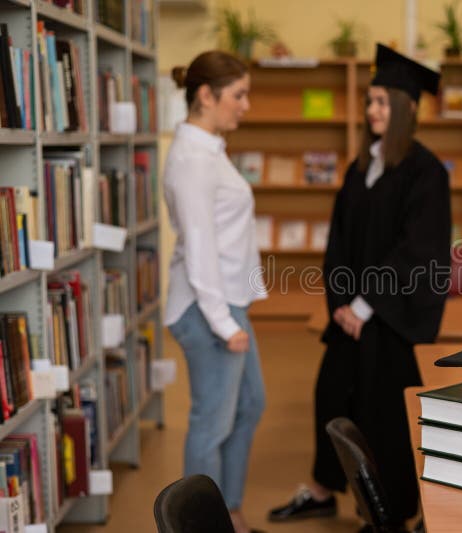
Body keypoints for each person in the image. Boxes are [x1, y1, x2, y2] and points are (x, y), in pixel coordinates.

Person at [268, 43, 452, 527]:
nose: (373, 110)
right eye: (369, 101)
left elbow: (416, 250)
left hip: (390, 319)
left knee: (385, 416)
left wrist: (365, 306)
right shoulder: (360, 166)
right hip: (350, 314)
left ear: (406, 108)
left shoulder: (425, 172)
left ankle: (388, 514)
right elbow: (340, 244)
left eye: (382, 102)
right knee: (331, 394)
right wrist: (340, 305)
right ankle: (323, 489)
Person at [164, 51, 266, 533]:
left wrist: (238, 308)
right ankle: (203, 528)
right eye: (238, 95)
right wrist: (225, 324)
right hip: (209, 310)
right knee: (211, 423)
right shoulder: (190, 159)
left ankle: (231, 511)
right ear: (206, 96)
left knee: (249, 405)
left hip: (229, 303)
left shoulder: (209, 147)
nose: (246, 105)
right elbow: (201, 247)